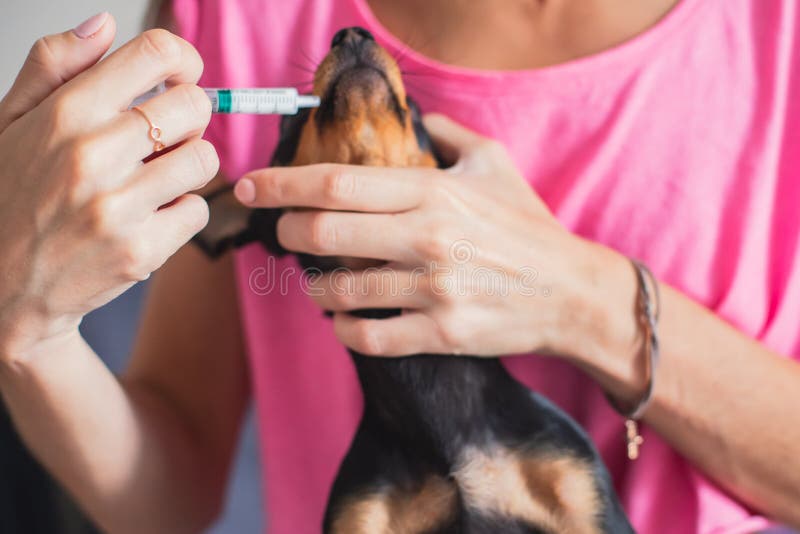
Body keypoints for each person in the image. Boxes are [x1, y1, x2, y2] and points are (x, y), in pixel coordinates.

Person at [0, 0, 798, 533]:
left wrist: (579, 302)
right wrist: (25, 333)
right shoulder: (231, 18)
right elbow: (167, 499)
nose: (349, 43)